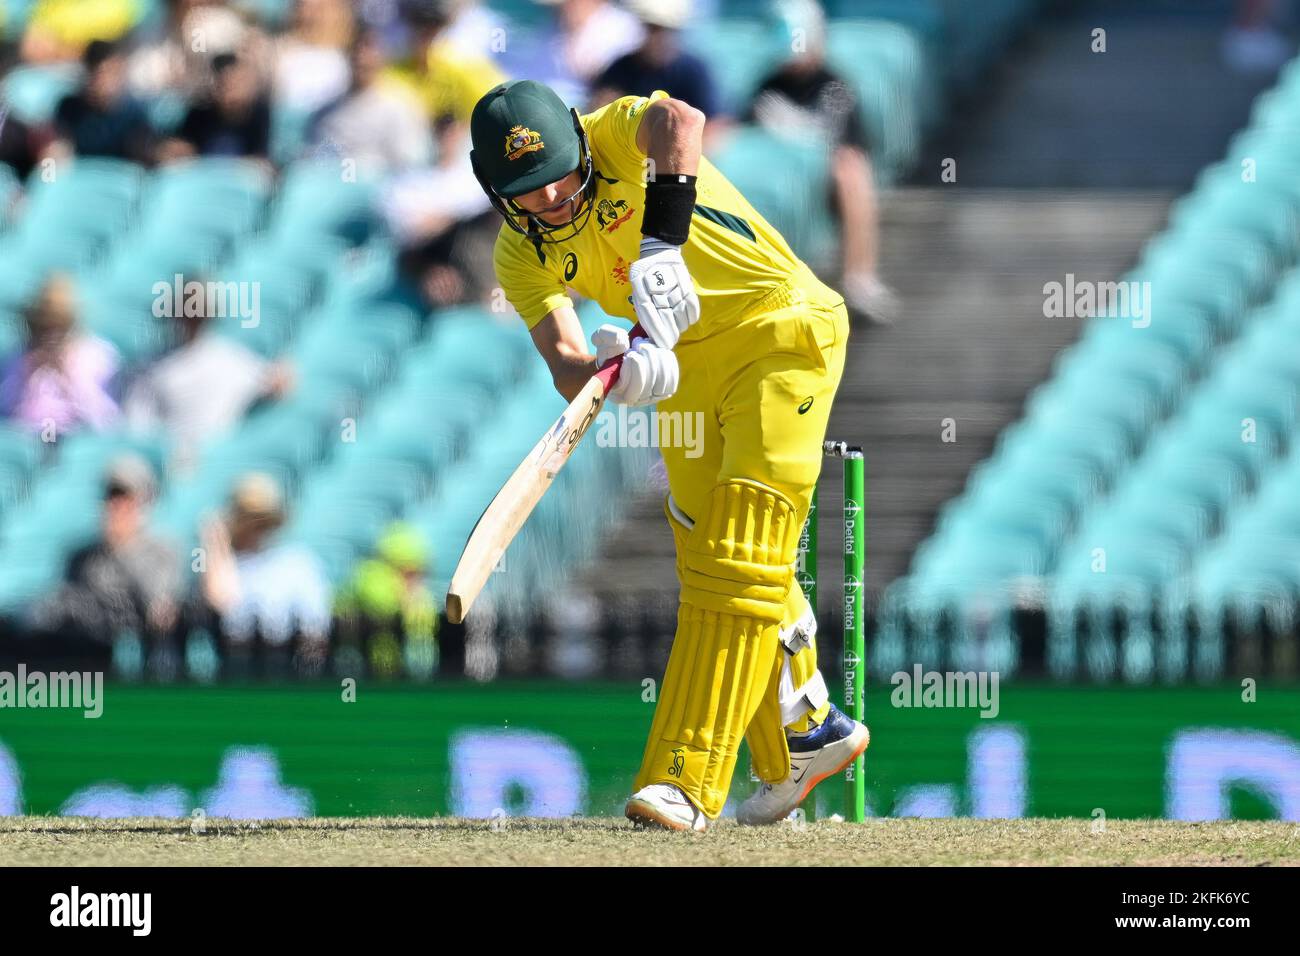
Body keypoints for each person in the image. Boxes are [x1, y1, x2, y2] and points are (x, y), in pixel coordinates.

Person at [468, 78, 870, 830]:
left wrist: (663, 240)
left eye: (561, 172)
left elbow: (678, 119)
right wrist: (613, 375)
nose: (553, 196)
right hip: (682, 365)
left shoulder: (616, 132)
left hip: (782, 330)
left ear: (580, 143)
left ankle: (685, 781)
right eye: (528, 189)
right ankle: (807, 730)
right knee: (702, 544)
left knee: (741, 551)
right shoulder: (518, 255)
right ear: (495, 191)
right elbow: (563, 363)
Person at [745, 0, 897, 325]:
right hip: (783, 180)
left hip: (827, 183)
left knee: (852, 172)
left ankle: (858, 277)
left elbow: (855, 148)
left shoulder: (835, 86)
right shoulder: (767, 88)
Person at [123, 275, 293, 459]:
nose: (192, 317)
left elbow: (277, 380)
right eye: (188, 310)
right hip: (170, 461)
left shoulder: (231, 360)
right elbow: (138, 426)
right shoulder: (154, 367)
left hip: (220, 459)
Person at [28, 454, 179, 646]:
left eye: (126, 499)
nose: (116, 507)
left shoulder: (163, 553)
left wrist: (121, 549)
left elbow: (159, 613)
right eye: (112, 497)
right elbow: (63, 608)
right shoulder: (82, 557)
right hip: (87, 654)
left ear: (144, 503)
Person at [196, 472, 331, 662]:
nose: (253, 529)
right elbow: (222, 603)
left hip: (290, 666)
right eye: (247, 520)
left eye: (259, 520)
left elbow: (316, 627)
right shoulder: (229, 565)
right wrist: (216, 543)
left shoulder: (298, 563)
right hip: (240, 668)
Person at [589, 0, 726, 146]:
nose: (656, 36)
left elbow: (714, 126)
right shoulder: (621, 67)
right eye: (651, 28)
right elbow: (597, 110)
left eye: (662, 29)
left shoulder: (693, 70)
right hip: (631, 155)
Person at [0, 275, 119, 436]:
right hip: (27, 439)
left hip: (75, 440)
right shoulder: (18, 357)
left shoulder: (96, 356)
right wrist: (26, 374)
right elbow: (7, 414)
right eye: (42, 326)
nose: (49, 334)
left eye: (58, 325)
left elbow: (105, 419)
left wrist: (67, 376)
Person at [47, 39, 155, 164]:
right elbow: (53, 157)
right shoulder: (68, 109)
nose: (107, 82)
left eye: (114, 73)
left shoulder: (135, 114)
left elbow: (146, 159)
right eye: (101, 73)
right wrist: (47, 177)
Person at [162, 52, 272, 162]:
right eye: (225, 85)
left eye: (237, 83)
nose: (231, 92)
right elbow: (177, 148)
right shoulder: (199, 115)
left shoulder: (259, 116)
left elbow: (264, 162)